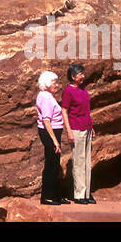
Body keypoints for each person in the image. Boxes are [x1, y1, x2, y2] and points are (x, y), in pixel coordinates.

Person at [62, 63, 95, 204]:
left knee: (87, 161)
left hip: (86, 128)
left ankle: (87, 193)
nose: (83, 76)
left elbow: (86, 109)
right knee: (78, 162)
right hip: (76, 129)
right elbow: (64, 111)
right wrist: (69, 131)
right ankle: (79, 194)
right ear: (73, 76)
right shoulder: (68, 91)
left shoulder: (83, 88)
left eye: (83, 73)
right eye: (80, 74)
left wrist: (91, 126)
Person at [34, 70, 68, 205]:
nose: (57, 85)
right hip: (50, 132)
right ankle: (47, 197)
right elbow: (46, 120)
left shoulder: (45, 96)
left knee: (54, 163)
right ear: (47, 84)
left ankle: (55, 195)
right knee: (51, 164)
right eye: (54, 82)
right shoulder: (47, 98)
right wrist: (54, 140)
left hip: (51, 132)